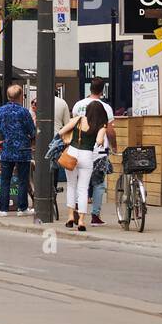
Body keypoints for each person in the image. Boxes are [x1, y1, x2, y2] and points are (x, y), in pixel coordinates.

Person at [0, 84, 37, 217]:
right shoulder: (24, 112)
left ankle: (3, 209)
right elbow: (32, 132)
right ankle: (22, 208)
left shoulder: (0, 111)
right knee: (22, 180)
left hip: (6, 150)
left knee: (5, 180)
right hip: (23, 151)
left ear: (8, 96)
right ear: (20, 97)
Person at [71, 77, 116, 225]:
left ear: (89, 88)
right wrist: (114, 146)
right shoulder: (106, 107)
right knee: (98, 184)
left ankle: (77, 208)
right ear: (103, 90)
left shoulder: (78, 105)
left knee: (79, 183)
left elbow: (73, 125)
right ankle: (95, 216)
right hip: (99, 151)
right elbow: (109, 130)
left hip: (80, 148)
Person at [60, 101, 110, 232]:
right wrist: (99, 138)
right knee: (83, 188)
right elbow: (99, 141)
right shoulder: (101, 125)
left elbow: (62, 131)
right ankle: (81, 220)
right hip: (86, 156)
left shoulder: (79, 119)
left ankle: (70, 217)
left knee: (71, 185)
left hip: (72, 153)